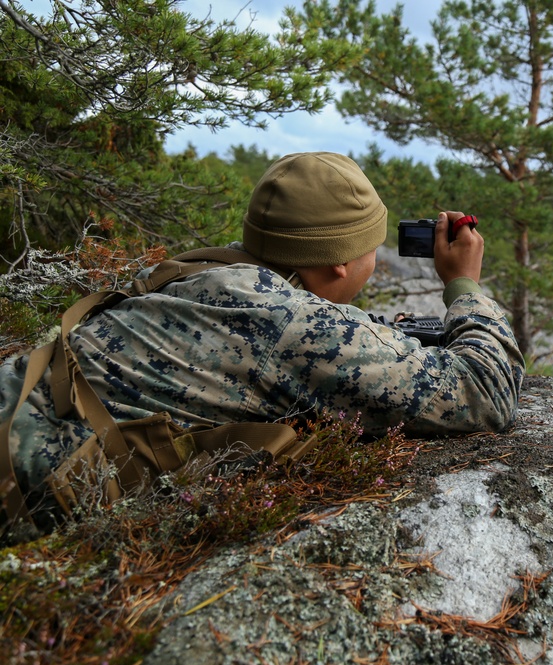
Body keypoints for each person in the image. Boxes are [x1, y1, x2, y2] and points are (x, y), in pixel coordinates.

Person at [0, 151, 524, 529]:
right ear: (342, 260)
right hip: (16, 477)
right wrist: (464, 284)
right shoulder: (292, 326)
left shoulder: (208, 268)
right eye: (374, 245)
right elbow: (486, 390)